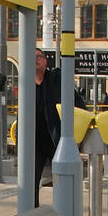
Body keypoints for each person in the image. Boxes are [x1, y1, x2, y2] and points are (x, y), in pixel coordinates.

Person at [29, 49, 86, 207]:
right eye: (32, 57)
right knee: (30, 180)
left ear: (46, 61)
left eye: (39, 57)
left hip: (56, 139)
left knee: (62, 179)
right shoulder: (26, 83)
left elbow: (76, 102)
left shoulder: (56, 80)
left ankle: (64, 209)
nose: (35, 60)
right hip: (34, 142)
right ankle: (31, 212)